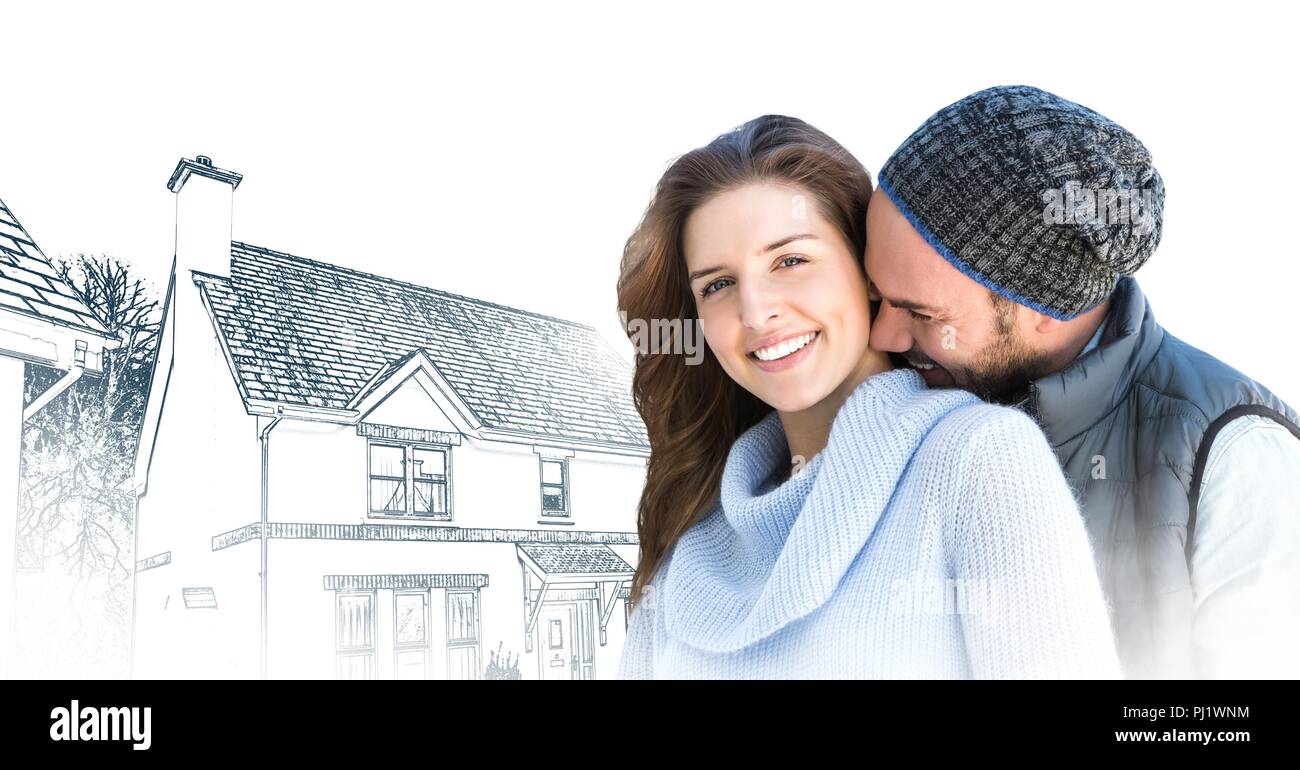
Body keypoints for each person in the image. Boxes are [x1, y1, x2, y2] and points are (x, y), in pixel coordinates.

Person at [614, 114, 1121, 679]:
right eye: (718, 285)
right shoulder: (690, 531)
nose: (755, 312)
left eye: (790, 260)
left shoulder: (978, 462)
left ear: (869, 270)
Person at [864, 84, 1300, 679]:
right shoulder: (894, 403)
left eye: (921, 313)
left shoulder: (1235, 459)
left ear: (1046, 308)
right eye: (875, 297)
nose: (880, 338)